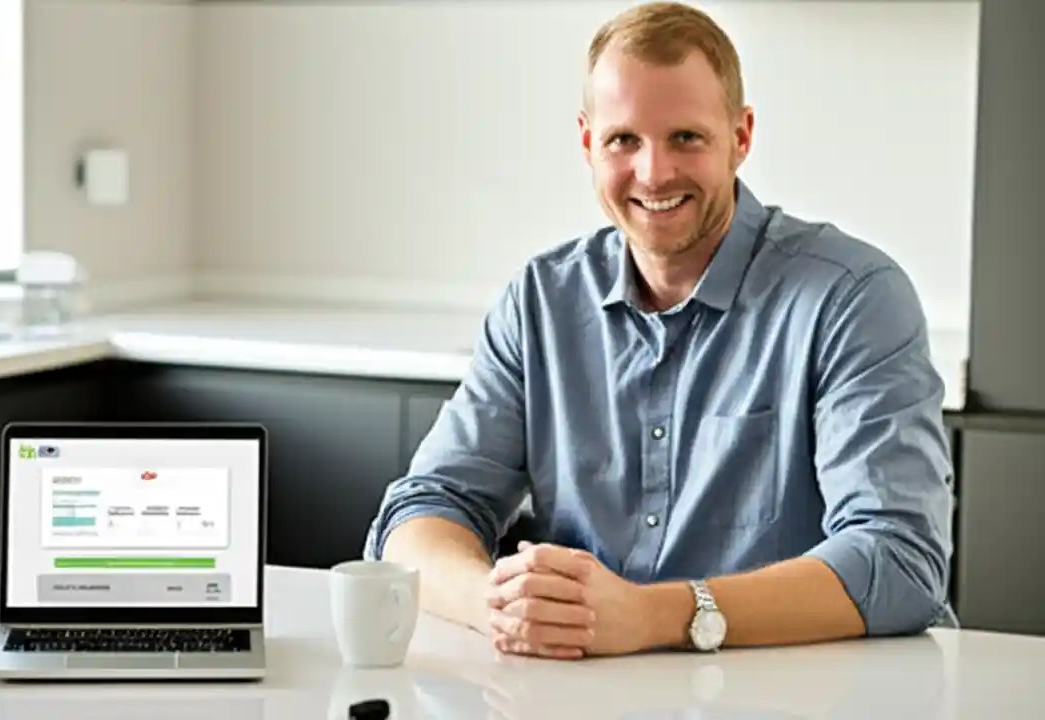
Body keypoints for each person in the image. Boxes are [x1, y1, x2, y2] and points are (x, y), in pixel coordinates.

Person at [363, 1, 955, 659]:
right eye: (624, 140)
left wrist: (654, 617)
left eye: (686, 138)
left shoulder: (854, 298)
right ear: (588, 143)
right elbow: (423, 508)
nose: (654, 173)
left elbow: (899, 561)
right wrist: (496, 604)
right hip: (591, 691)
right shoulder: (541, 301)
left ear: (741, 136)